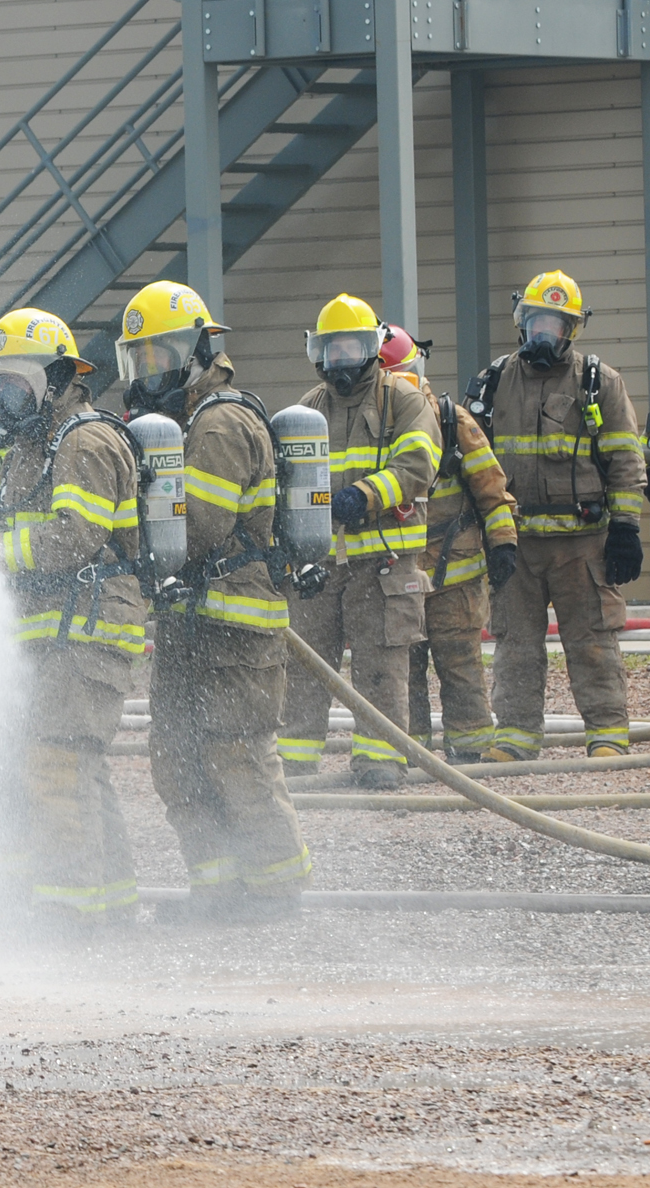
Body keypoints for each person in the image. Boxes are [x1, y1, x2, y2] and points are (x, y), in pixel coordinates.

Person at [116, 281, 310, 923]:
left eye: (162, 356)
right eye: (140, 361)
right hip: (189, 626)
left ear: (200, 350)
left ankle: (276, 893)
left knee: (237, 759)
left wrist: (118, 538)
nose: (150, 375)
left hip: (236, 626)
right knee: (178, 761)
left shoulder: (221, 423)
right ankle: (219, 889)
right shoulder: (181, 427)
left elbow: (194, 526)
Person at [0, 308, 145, 927]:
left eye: (11, 386)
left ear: (50, 378)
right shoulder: (33, 449)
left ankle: (70, 918)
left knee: (54, 764)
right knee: (77, 765)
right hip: (64, 630)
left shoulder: (84, 441)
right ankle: (112, 905)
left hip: (90, 626)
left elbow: (74, 537)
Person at [467, 271, 647, 759]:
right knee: (516, 646)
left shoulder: (599, 382)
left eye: (556, 324)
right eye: (535, 322)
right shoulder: (492, 383)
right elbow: (471, 466)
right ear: (521, 322)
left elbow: (626, 460)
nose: (544, 334)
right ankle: (517, 738)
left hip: (582, 543)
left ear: (573, 329)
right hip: (516, 543)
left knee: (592, 644)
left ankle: (607, 735)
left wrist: (626, 529)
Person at [276, 295, 442, 790]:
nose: (340, 361)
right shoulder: (308, 410)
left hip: (384, 563)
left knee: (381, 665)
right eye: (332, 350)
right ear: (318, 352)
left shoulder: (404, 400)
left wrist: (363, 496)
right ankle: (294, 763)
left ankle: (380, 762)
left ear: (371, 348)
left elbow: (417, 467)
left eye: (350, 348)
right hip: (322, 562)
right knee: (305, 663)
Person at [381, 326, 516, 762]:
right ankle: (412, 752)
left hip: (454, 576)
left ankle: (470, 754)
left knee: (460, 665)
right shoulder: (371, 428)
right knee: (404, 668)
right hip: (397, 573)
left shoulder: (451, 420)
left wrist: (503, 544)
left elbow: (491, 489)